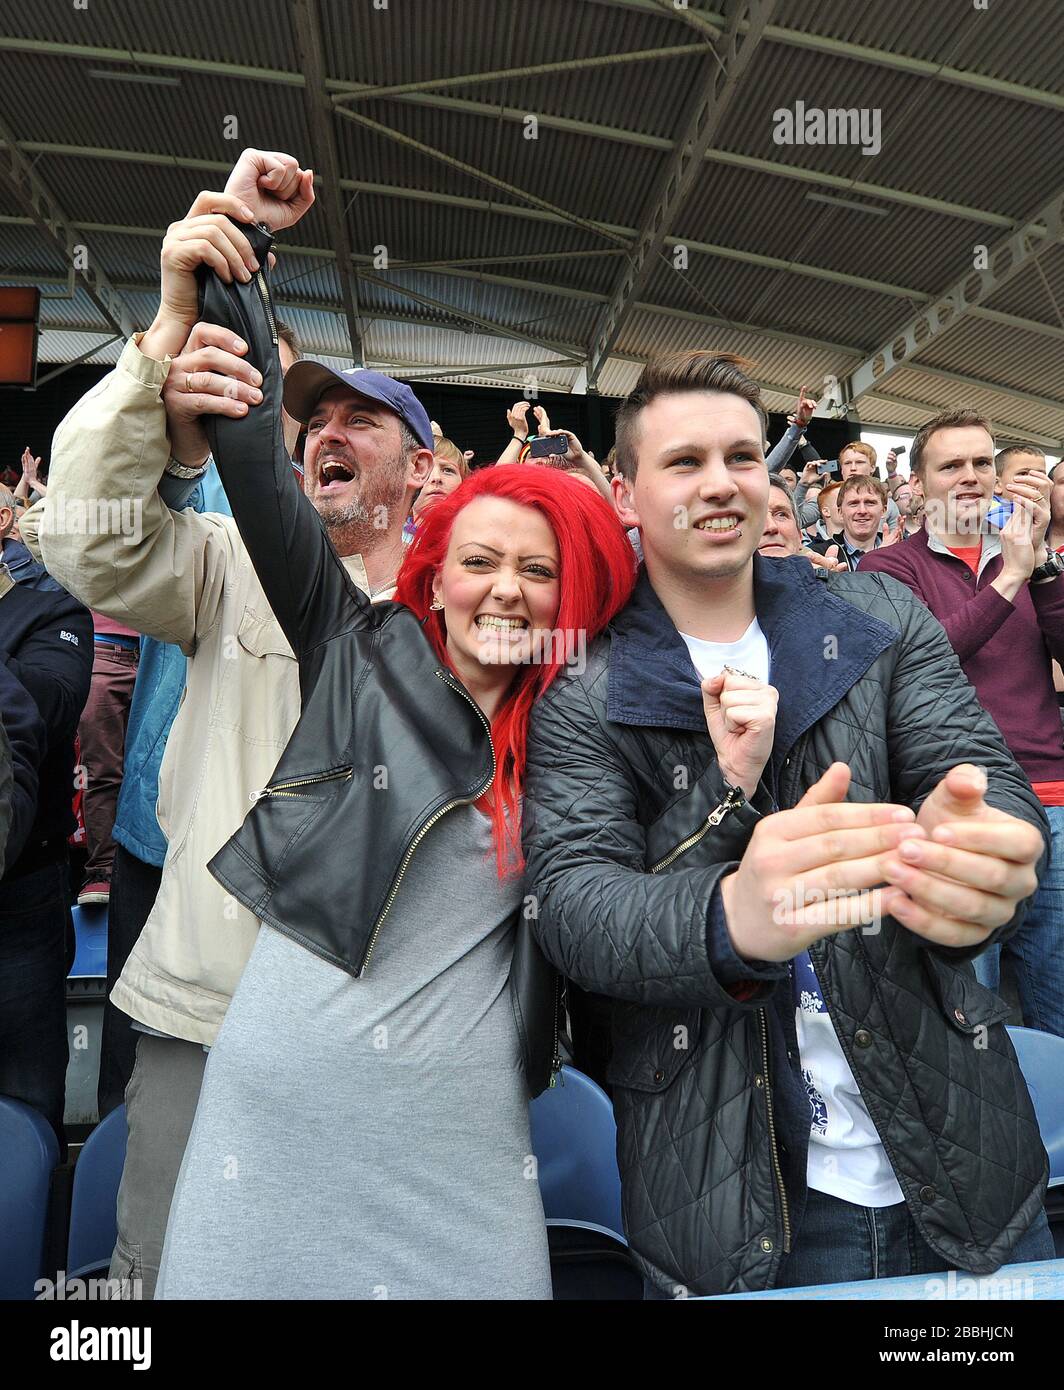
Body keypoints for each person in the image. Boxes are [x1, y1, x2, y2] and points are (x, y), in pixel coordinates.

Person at [152, 216, 637, 1297]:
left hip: (463, 1144)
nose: (503, 589)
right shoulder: (356, 647)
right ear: (437, 569)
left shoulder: (587, 733)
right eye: (478, 560)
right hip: (276, 1114)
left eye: (537, 568)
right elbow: (249, 457)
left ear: (580, 593)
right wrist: (231, 271)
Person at [520, 350, 1053, 1299]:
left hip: (957, 1143)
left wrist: (988, 856)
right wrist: (731, 916)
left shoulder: (875, 614)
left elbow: (984, 777)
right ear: (627, 492)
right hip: (734, 1191)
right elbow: (571, 905)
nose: (721, 482)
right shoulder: (582, 679)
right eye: (684, 463)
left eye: (741, 456)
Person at [20, 149, 431, 1296]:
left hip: (390, 1025)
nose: (326, 435)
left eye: (362, 418)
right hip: (212, 1010)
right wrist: (161, 340)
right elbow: (85, 537)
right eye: (311, 422)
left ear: (422, 464)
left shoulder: (474, 605)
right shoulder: (221, 561)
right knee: (158, 1284)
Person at [860, 410, 1064, 1039]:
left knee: (1057, 1013)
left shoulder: (1032, 560)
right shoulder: (888, 569)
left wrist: (1045, 566)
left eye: (982, 462)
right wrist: (1012, 580)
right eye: (951, 465)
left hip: (1054, 801)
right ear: (918, 483)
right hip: (958, 811)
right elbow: (924, 655)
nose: (971, 476)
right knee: (969, 1021)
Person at [0, 534, 93, 1153]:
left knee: (25, 1095)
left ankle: (28, 1230)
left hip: (21, 892)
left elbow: (46, 705)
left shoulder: (53, 606)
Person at [757, 477, 845, 572]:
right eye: (755, 516)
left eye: (781, 514)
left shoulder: (823, 578)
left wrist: (831, 583)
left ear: (799, 535)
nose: (771, 526)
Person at [810, 475, 896, 571]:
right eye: (853, 503)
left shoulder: (900, 554)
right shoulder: (817, 556)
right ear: (840, 512)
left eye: (870, 502)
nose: (862, 511)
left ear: (884, 510)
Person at [402, 436, 468, 541]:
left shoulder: (478, 538)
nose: (436, 478)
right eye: (422, 469)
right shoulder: (381, 544)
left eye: (448, 470)